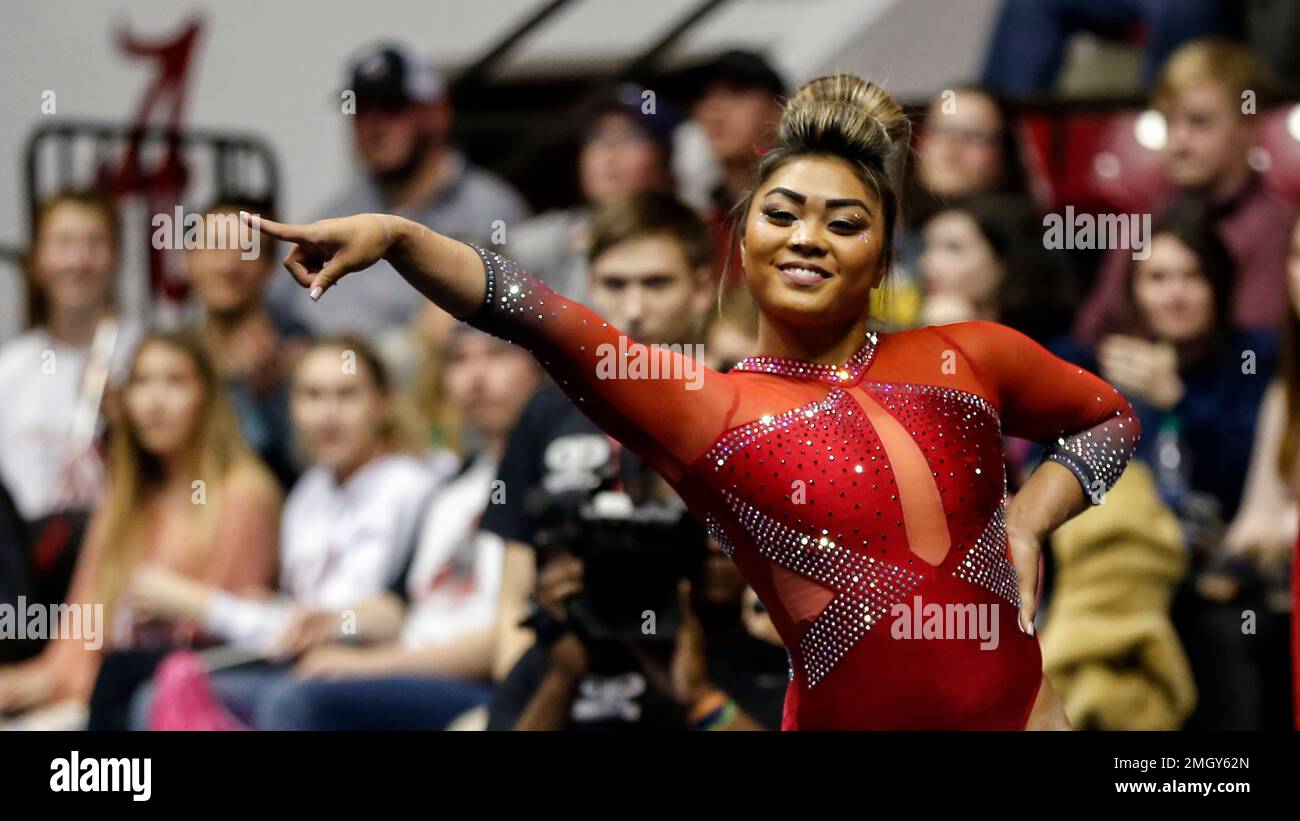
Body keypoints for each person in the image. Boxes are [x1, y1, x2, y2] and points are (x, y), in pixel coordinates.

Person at [246, 73, 1141, 730]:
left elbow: (1110, 420)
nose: (808, 238)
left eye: (845, 221)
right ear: (743, 234)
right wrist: (400, 236)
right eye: (783, 213)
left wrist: (1028, 519)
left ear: (882, 252)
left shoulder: (968, 353)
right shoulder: (705, 407)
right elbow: (537, 314)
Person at [481, 191, 785, 729]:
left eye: (656, 284)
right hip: (573, 666)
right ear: (588, 286)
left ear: (699, 287)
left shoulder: (742, 410)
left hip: (711, 662)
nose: (634, 309)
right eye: (614, 285)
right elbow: (514, 590)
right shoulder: (551, 406)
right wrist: (530, 682)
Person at [127, 329, 531, 730]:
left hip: (438, 677)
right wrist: (330, 619)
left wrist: (364, 661)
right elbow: (395, 604)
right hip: (367, 663)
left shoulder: (417, 482)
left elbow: (506, 633)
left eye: (346, 395)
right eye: (313, 396)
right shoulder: (445, 487)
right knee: (154, 696)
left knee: (291, 703)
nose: (328, 415)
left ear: (384, 403)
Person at [0, 332, 281, 722]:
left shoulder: (245, 495)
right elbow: (79, 634)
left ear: (208, 398)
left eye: (175, 382)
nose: (154, 402)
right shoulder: (123, 499)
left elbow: (227, 634)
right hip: (105, 685)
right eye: (142, 383)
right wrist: (29, 683)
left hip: (180, 688)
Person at [268, 42, 530, 341]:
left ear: (437, 112)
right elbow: (279, 308)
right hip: (330, 377)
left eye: (392, 108)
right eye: (360, 111)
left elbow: (523, 324)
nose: (373, 127)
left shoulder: (491, 211)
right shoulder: (335, 212)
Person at [1076, 39, 1298, 344]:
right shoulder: (1144, 221)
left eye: (1199, 122)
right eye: (1169, 121)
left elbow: (1257, 357)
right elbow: (1091, 336)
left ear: (1249, 127)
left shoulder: (1278, 228)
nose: (1178, 142)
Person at [0, 190, 143, 604]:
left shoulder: (145, 355)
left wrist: (127, 431)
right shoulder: (11, 367)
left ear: (115, 257)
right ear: (37, 260)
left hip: (117, 558)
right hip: (21, 569)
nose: (79, 261)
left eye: (94, 244)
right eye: (63, 244)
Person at [505, 84, 678, 304]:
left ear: (664, 157)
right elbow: (486, 268)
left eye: (630, 136)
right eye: (596, 136)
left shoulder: (688, 239)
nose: (608, 151)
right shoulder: (556, 237)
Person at [187, 197, 308, 489]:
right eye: (214, 246)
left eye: (245, 250)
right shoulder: (173, 356)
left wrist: (274, 397)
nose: (228, 264)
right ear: (189, 259)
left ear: (271, 267)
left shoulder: (302, 357)